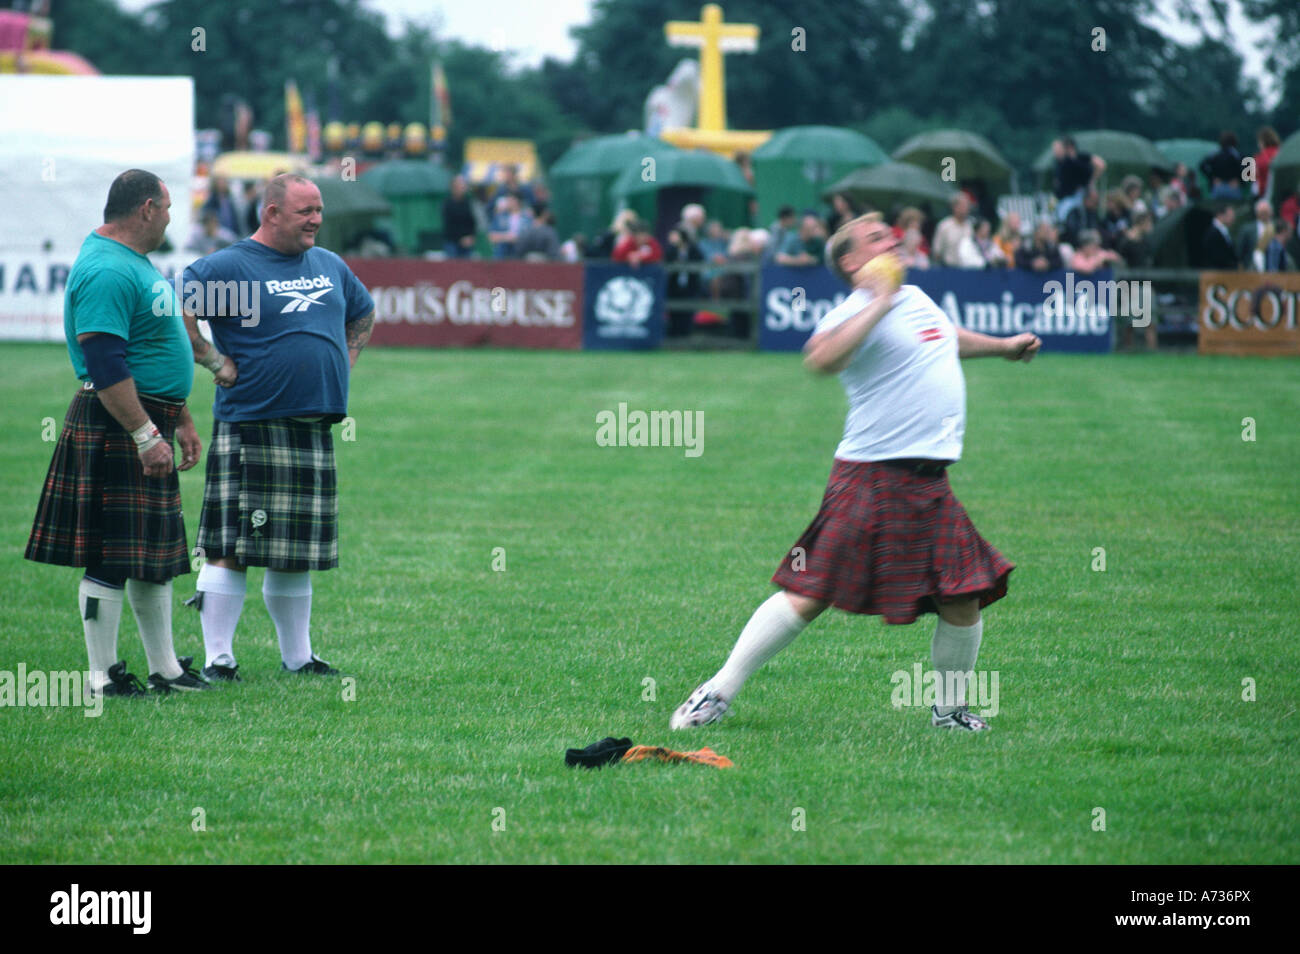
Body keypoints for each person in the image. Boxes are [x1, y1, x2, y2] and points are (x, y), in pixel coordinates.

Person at [670, 212, 1039, 733]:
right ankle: (715, 692)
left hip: (929, 481)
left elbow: (943, 337)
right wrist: (879, 299)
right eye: (877, 239)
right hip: (872, 475)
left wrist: (1002, 348)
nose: (892, 241)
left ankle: (950, 712)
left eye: (890, 234)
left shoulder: (917, 299)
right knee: (811, 592)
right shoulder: (852, 311)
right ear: (851, 260)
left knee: (962, 594)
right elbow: (820, 360)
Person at [180, 173, 376, 681]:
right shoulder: (230, 267)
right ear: (271, 214)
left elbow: (363, 311)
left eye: (319, 210)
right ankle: (218, 660)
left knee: (294, 551)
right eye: (305, 211)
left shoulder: (327, 264)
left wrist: (343, 360)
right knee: (232, 548)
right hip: (253, 420)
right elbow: (178, 308)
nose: (316, 220)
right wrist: (210, 359)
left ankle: (299, 658)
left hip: (311, 425)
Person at [26, 169, 208, 696]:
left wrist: (182, 418)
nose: (172, 218)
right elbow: (105, 360)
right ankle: (101, 677)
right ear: (147, 208)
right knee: (110, 553)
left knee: (151, 556)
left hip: (148, 414)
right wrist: (146, 435)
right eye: (169, 208)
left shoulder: (133, 262)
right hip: (118, 419)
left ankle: (166, 669)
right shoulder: (106, 268)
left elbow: (154, 346)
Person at [1052, 136, 1105, 225]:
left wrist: (1091, 182)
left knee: (1065, 217)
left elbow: (1100, 164)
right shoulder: (1061, 162)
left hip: (1075, 197)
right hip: (1064, 197)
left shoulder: (1078, 160)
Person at [1200, 132, 1245, 200]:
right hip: (1233, 188)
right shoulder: (1237, 155)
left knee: (1216, 209)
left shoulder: (1215, 154)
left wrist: (1212, 178)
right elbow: (1249, 167)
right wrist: (1240, 181)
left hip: (1218, 187)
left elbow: (1202, 166)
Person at [441, 174, 477, 258]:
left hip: (467, 242)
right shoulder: (447, 204)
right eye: (460, 186)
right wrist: (460, 239)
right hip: (452, 242)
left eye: (463, 186)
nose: (462, 189)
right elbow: (449, 225)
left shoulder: (469, 203)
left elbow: (472, 222)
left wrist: (471, 237)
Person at [1202, 202, 1237, 270]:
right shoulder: (1212, 233)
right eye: (1230, 215)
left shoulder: (1223, 231)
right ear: (1220, 215)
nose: (1233, 218)